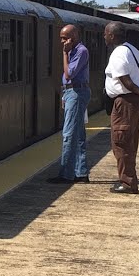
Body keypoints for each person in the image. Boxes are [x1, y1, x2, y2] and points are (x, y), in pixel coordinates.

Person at [103, 21, 139, 194]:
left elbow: (125, 80)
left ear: (112, 35)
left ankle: (127, 183)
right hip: (134, 103)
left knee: (121, 141)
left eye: (105, 34)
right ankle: (129, 179)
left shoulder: (118, 53)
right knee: (130, 141)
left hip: (126, 102)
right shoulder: (133, 50)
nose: (104, 36)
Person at [46, 24, 90, 184]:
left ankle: (66, 174)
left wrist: (65, 54)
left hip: (77, 93)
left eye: (64, 38)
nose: (62, 42)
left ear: (74, 37)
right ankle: (81, 172)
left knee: (69, 134)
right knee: (78, 134)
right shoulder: (74, 51)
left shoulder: (81, 51)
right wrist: (65, 94)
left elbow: (69, 74)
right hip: (72, 92)